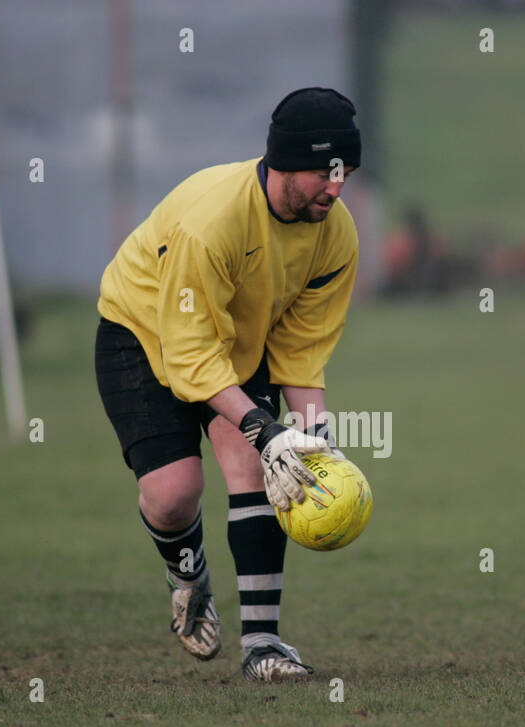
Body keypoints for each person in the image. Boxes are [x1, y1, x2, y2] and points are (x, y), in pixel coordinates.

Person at [94, 87, 361, 682]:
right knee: (172, 494)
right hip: (140, 333)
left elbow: (300, 345)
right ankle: (187, 574)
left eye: (344, 172)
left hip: (235, 342)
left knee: (259, 469)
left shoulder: (335, 232)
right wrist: (268, 431)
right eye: (324, 172)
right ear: (285, 164)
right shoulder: (210, 222)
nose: (336, 188)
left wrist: (313, 437)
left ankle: (263, 647)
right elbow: (189, 356)